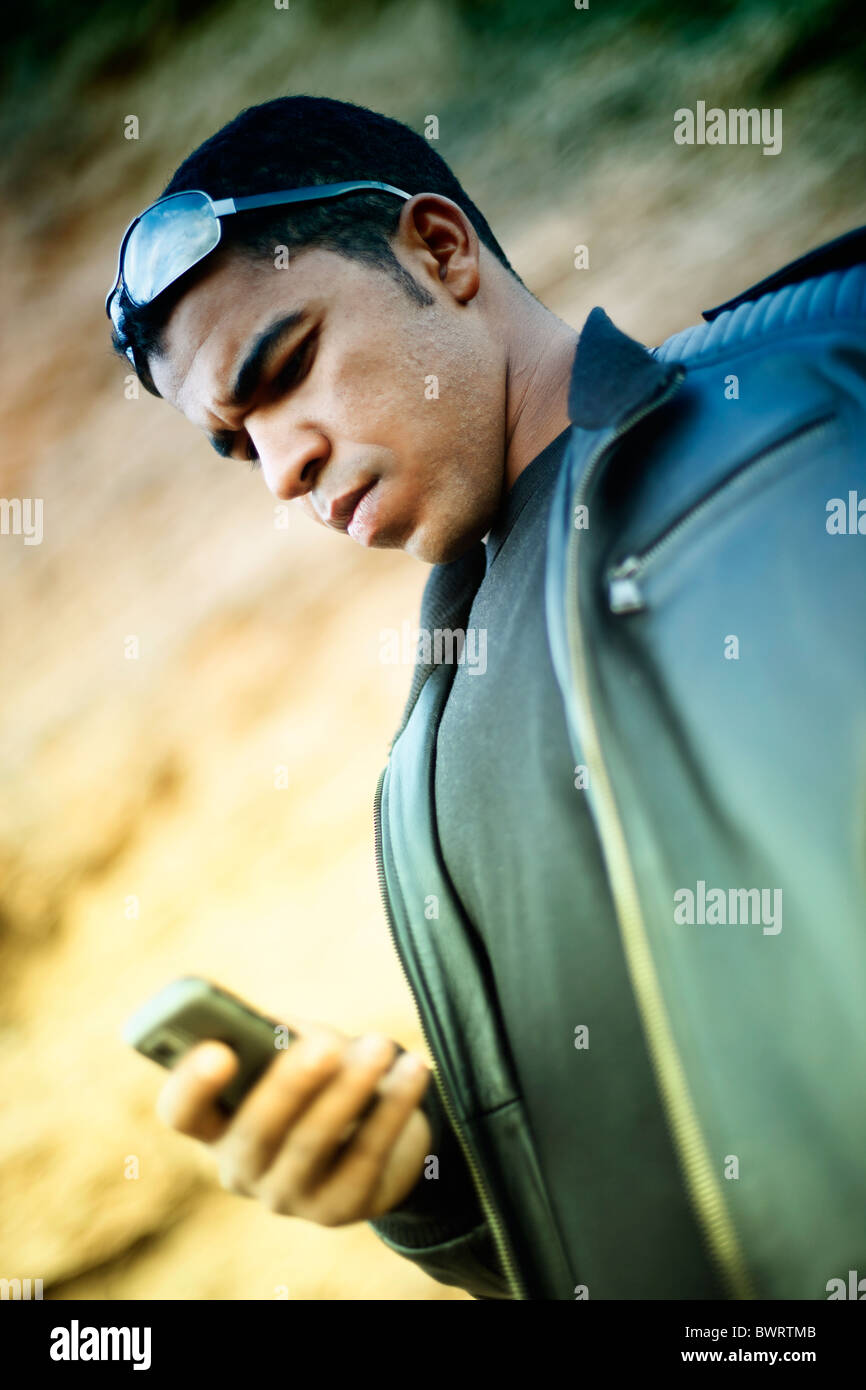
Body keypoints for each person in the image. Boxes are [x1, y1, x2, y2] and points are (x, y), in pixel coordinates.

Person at [107, 94, 866, 1301]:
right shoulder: (419, 781)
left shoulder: (809, 383)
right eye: (239, 442)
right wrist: (412, 1182)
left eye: (285, 366)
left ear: (440, 250)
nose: (283, 468)